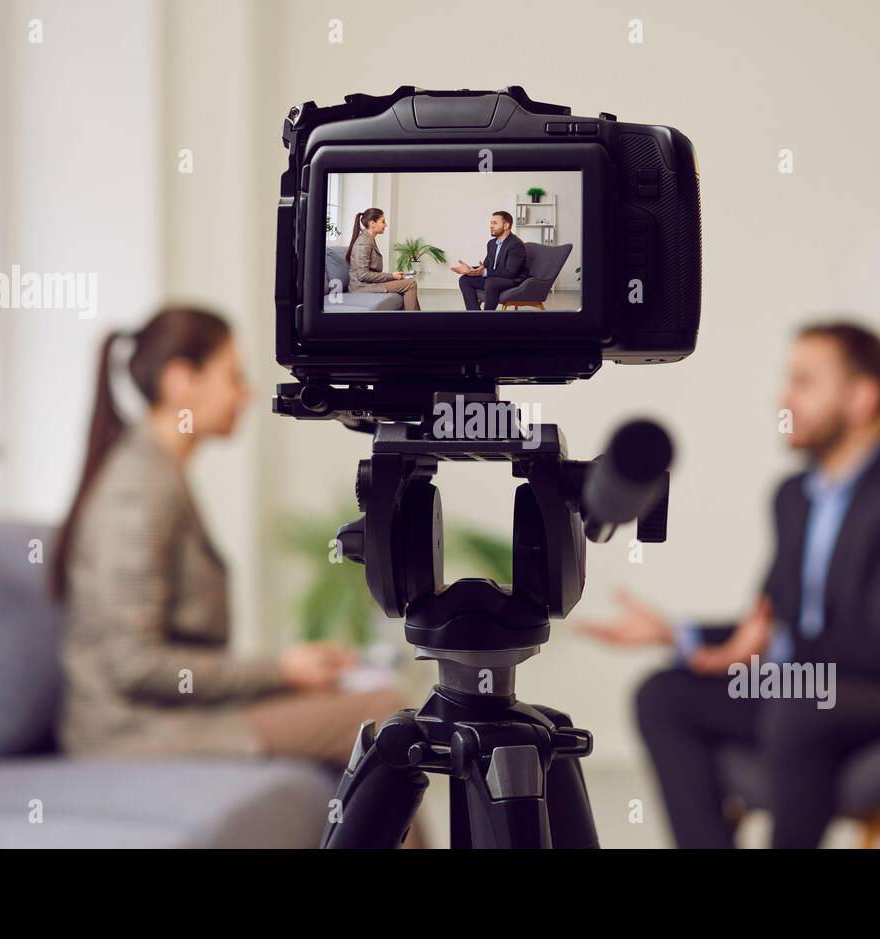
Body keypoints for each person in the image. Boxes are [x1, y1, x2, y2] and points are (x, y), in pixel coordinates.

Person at [579, 321, 880, 848]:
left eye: (804, 382)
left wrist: (775, 649)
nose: (782, 398)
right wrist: (678, 635)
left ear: (863, 397)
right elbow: (768, 622)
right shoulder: (793, 496)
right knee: (662, 696)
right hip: (806, 684)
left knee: (797, 703)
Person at [51, 305, 415, 788]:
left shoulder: (159, 472)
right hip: (130, 731)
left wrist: (290, 672)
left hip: (172, 713)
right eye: (234, 376)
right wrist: (281, 669)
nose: (247, 394)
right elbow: (133, 666)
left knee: (370, 701)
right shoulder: (138, 489)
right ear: (182, 381)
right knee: (383, 715)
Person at [453, 210, 530, 310]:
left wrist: (484, 271)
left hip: (513, 280)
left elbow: (510, 273)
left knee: (491, 282)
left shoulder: (516, 245)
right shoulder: (491, 243)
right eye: (491, 223)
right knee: (464, 279)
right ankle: (474, 316)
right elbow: (486, 266)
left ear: (506, 225)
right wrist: (471, 270)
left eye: (495, 223)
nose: (491, 226)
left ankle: (488, 318)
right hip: (494, 278)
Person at [346, 208, 420, 310]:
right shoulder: (363, 242)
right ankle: (414, 322)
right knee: (410, 284)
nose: (385, 225)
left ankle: (418, 322)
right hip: (361, 287)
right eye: (383, 222)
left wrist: (394, 276)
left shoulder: (369, 239)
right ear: (372, 223)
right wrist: (391, 276)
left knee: (409, 281)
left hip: (370, 284)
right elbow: (362, 275)